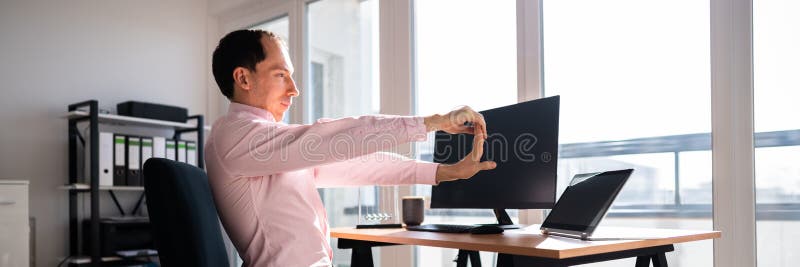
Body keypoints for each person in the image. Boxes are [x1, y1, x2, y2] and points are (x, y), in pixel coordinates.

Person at [205, 29, 497, 266]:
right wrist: (433, 122)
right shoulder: (233, 136)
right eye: (281, 75)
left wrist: (445, 172)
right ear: (243, 78)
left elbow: (360, 163)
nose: (294, 89)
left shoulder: (269, 146)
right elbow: (335, 138)